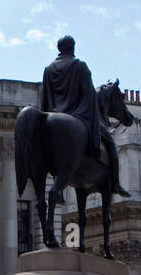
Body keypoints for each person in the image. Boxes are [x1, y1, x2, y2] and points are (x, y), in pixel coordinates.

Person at [40, 35, 129, 198]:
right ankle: (115, 183)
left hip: (51, 116)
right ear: (73, 48)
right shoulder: (79, 66)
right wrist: (91, 116)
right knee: (110, 143)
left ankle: (57, 185)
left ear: (59, 49)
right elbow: (89, 95)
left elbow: (45, 97)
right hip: (78, 114)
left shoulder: (48, 69)